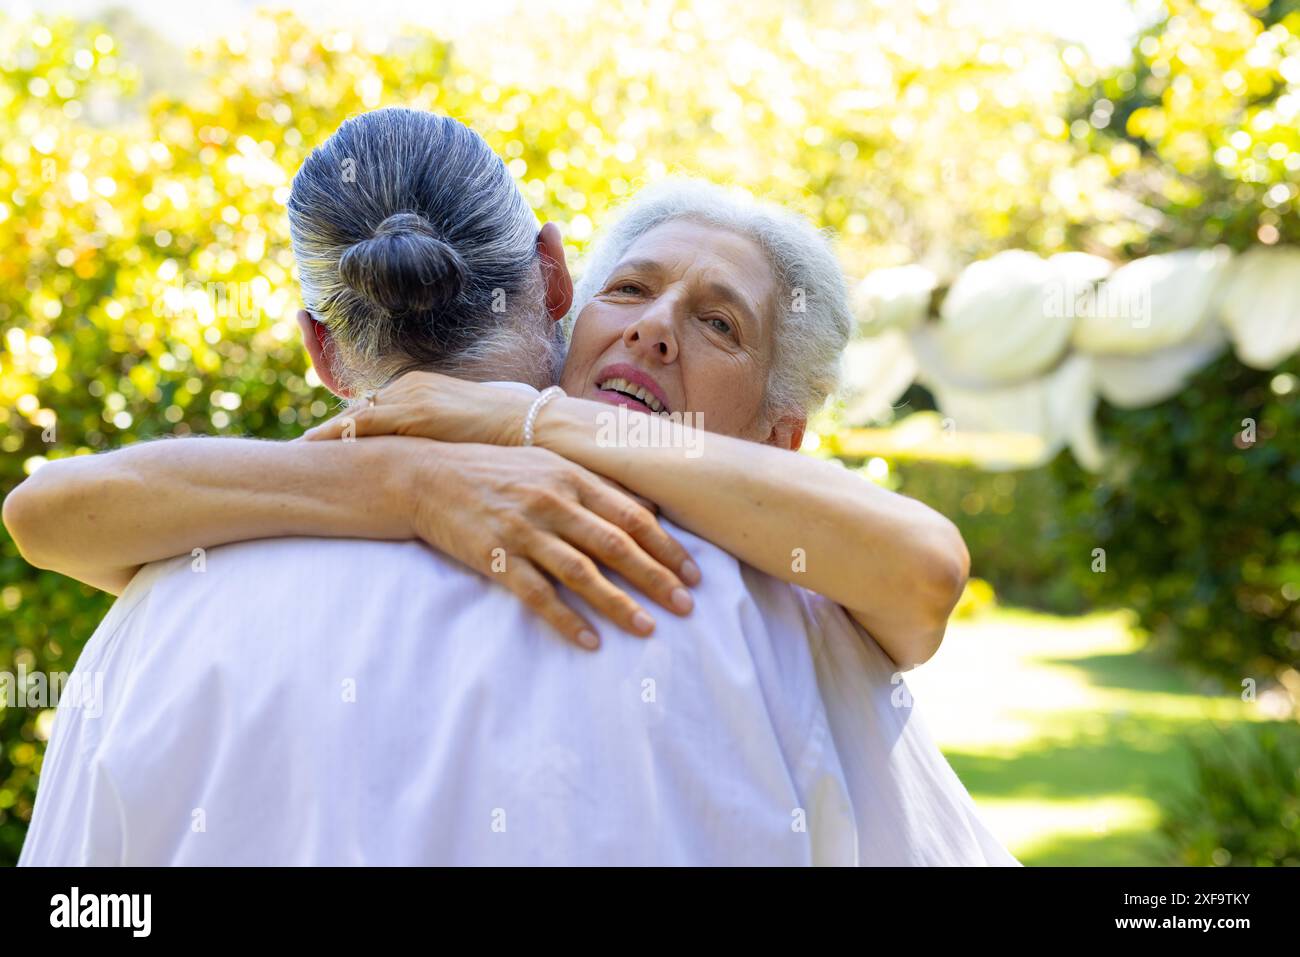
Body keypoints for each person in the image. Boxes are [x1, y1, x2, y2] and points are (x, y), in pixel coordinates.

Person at [7, 108, 1015, 865]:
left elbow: (923, 568)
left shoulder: (166, 602)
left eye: (719, 324)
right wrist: (402, 482)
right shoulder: (761, 621)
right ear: (562, 292)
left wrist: (521, 419)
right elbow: (43, 513)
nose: (656, 327)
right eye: (633, 287)